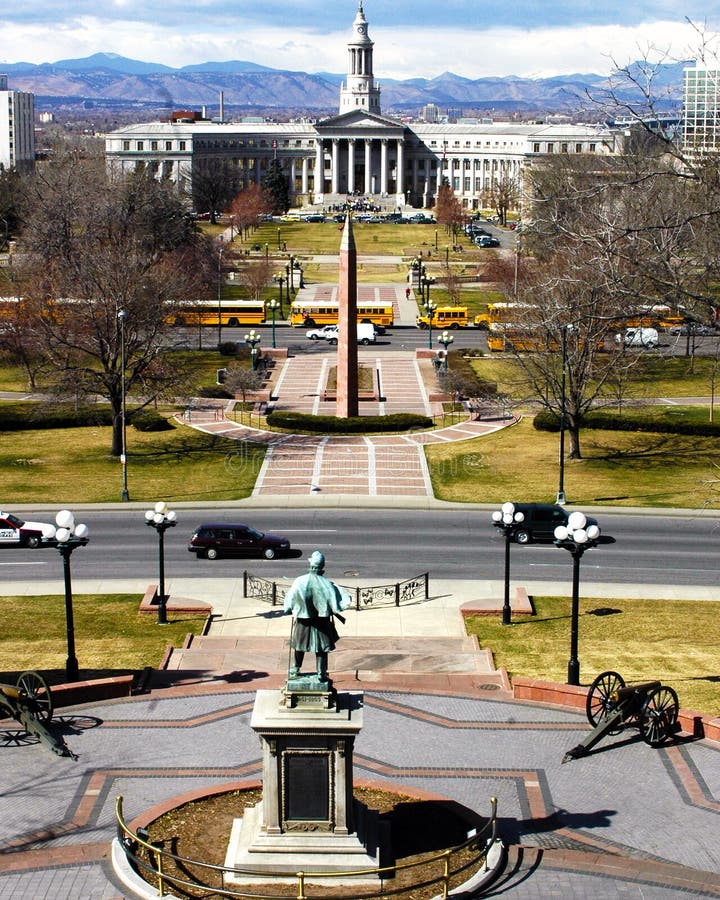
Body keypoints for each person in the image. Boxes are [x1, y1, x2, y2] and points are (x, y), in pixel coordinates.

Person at [283, 551, 351, 681]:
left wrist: (288, 609)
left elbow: (289, 603)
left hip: (303, 621)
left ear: (310, 564)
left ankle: (295, 668)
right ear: (322, 566)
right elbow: (338, 605)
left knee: (299, 646)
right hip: (322, 622)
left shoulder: (299, 581)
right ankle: (321, 672)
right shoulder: (327, 584)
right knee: (321, 649)